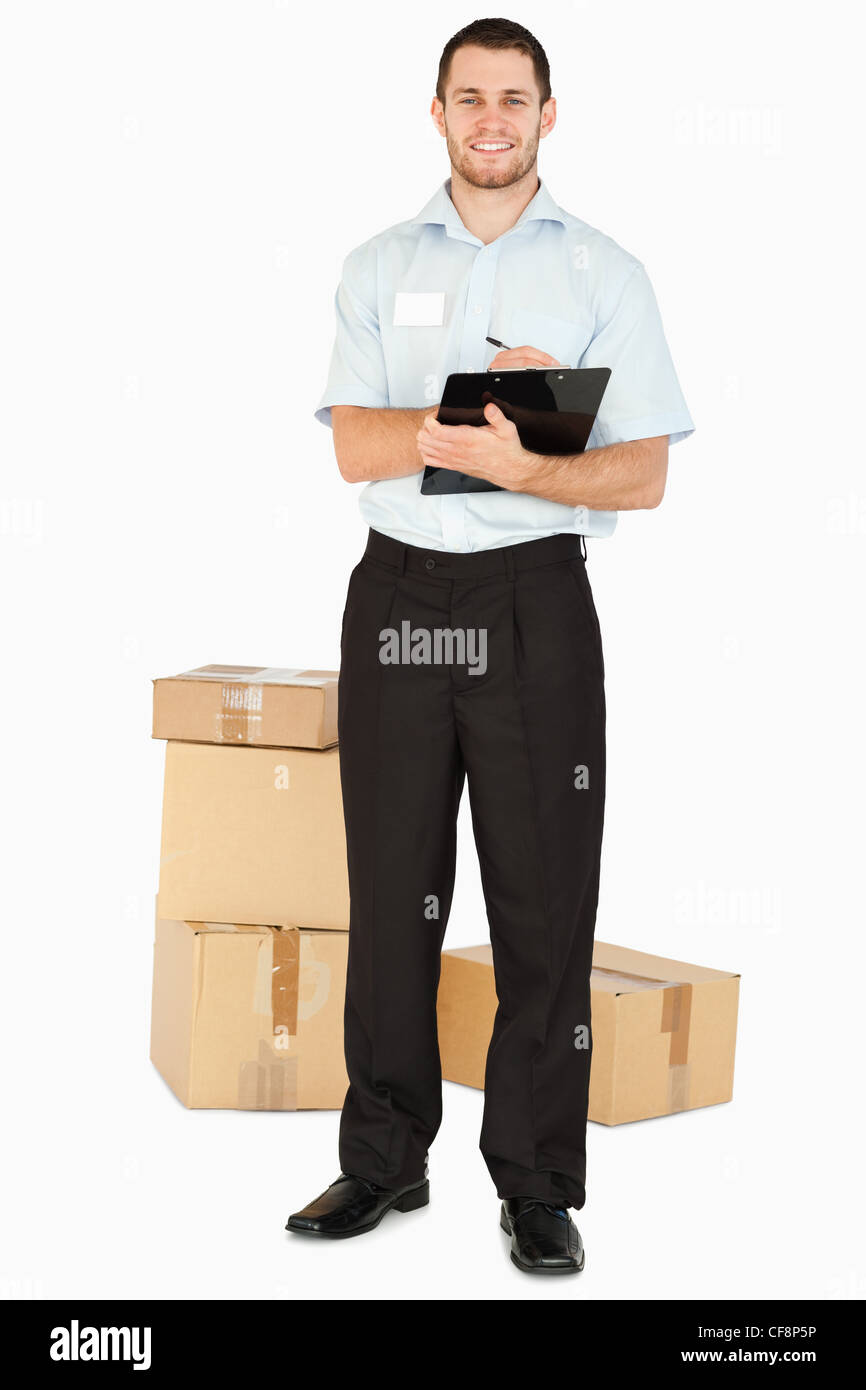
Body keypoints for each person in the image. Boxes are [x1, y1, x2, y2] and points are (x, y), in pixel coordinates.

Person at [286, 16, 694, 1274]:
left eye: (513, 98)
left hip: (534, 602)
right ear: (438, 111)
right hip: (400, 593)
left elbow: (644, 476)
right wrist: (465, 429)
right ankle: (381, 1159)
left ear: (546, 114)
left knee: (540, 895)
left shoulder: (604, 272)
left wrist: (538, 457)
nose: (491, 118)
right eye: (469, 96)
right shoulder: (373, 261)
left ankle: (533, 1181)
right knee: (392, 883)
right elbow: (355, 445)